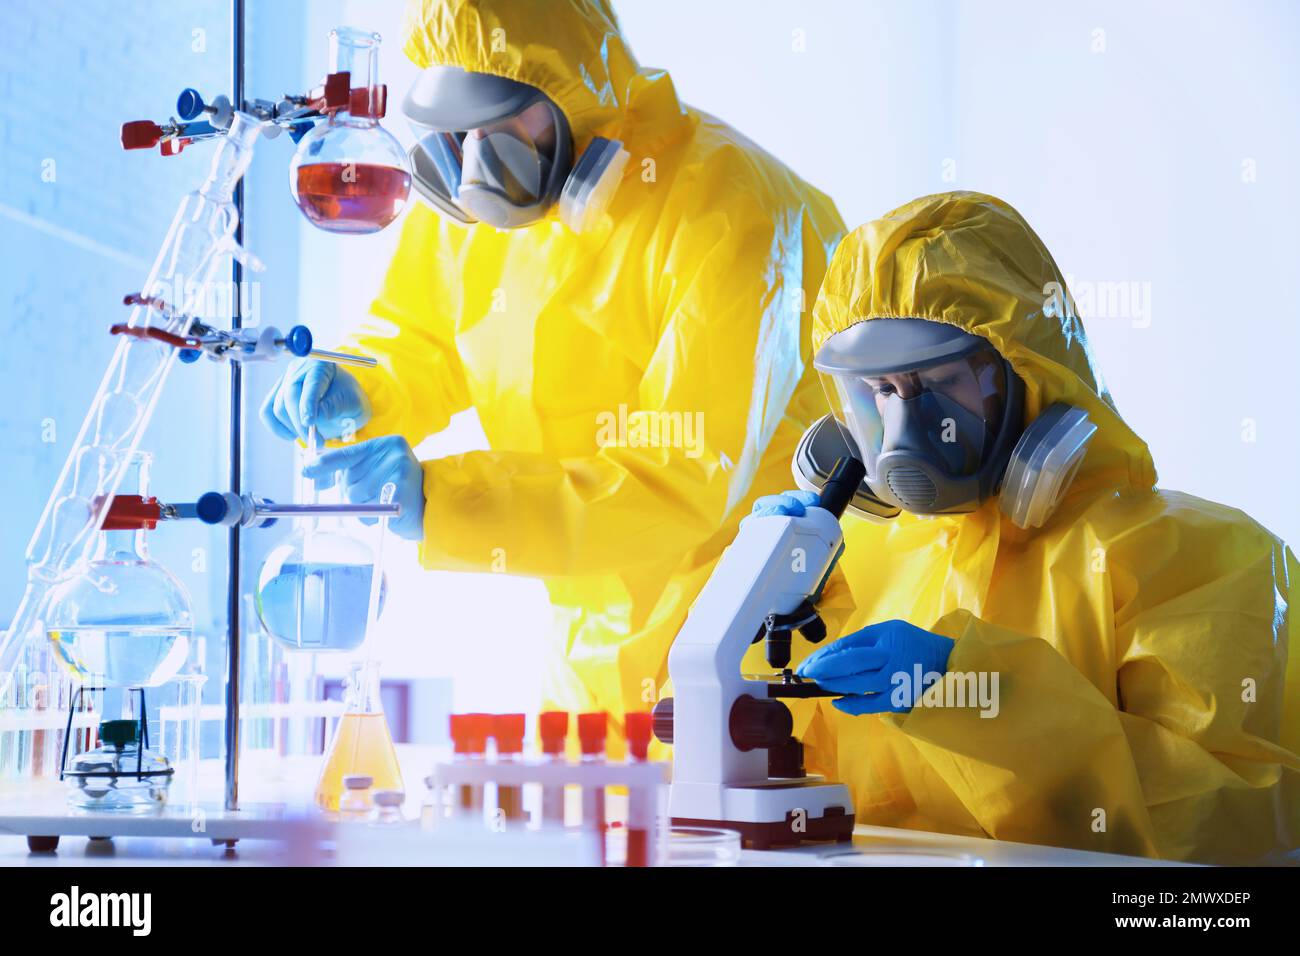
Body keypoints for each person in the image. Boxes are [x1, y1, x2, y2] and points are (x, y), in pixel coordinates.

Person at [260, 0, 845, 752]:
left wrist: (448, 502)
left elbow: (683, 478)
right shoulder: (479, 206)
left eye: (498, 119)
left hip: (750, 639)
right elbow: (423, 340)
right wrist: (362, 388)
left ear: (573, 90)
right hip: (585, 660)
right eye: (457, 126)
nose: (475, 158)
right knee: (583, 813)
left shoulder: (731, 209)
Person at [752, 191, 1300, 864]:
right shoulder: (853, 565)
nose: (905, 426)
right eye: (881, 391)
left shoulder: (1202, 560)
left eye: (941, 379)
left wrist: (981, 699)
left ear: (1027, 371)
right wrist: (752, 617)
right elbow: (761, 787)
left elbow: (1220, 831)